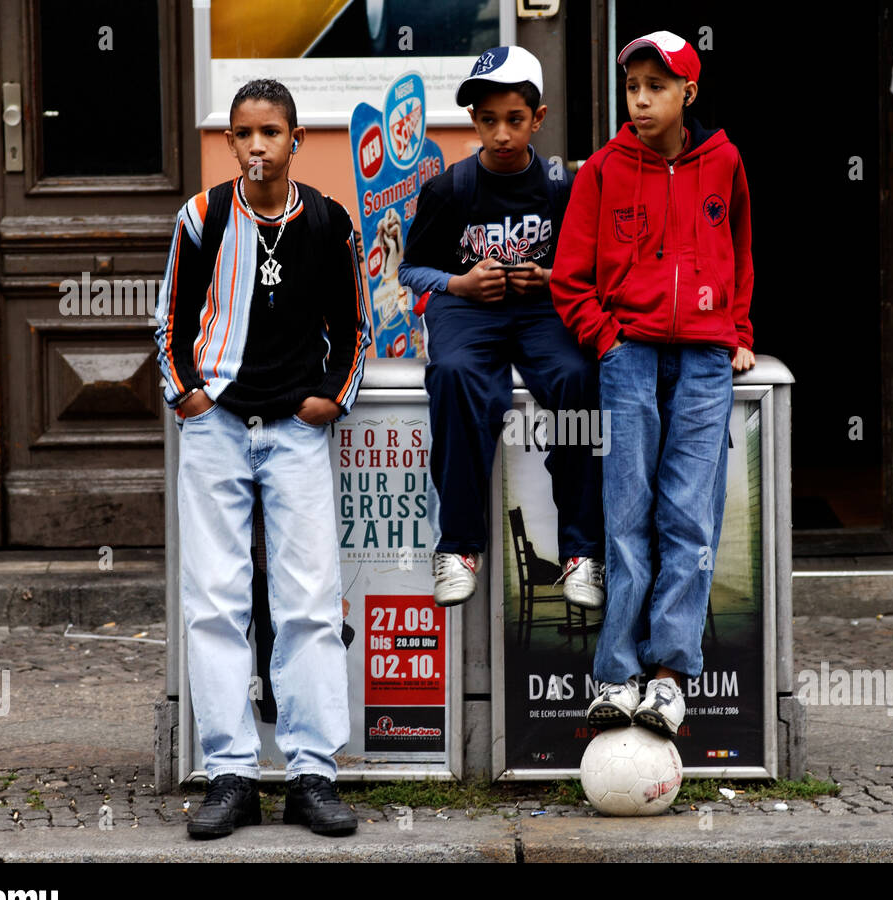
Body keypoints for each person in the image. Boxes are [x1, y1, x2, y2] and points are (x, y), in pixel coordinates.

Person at [153, 78, 371, 838]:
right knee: (216, 599)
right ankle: (231, 773)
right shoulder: (202, 216)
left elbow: (355, 327)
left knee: (308, 600)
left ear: (294, 140)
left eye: (270, 133)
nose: (255, 146)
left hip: (295, 429)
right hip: (216, 426)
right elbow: (171, 319)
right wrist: (189, 395)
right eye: (242, 133)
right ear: (229, 142)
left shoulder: (329, 222)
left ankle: (312, 772)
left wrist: (330, 397)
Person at [550, 31, 755, 738]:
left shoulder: (723, 161)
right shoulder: (604, 169)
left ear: (687, 94)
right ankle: (615, 673)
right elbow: (569, 278)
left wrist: (740, 333)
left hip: (704, 360)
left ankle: (669, 676)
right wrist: (606, 339)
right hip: (629, 355)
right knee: (627, 516)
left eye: (656, 87)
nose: (640, 100)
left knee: (690, 520)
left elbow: (741, 255)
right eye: (633, 86)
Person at [399, 46, 605, 610]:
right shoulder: (450, 189)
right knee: (457, 375)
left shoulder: (563, 189)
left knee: (578, 376)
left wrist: (553, 276)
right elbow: (411, 269)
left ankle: (582, 554)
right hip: (468, 310)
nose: (502, 134)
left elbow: (587, 267)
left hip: (540, 311)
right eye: (488, 121)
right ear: (474, 122)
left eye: (515, 119)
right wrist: (460, 284)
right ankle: (460, 547)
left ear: (538, 119)